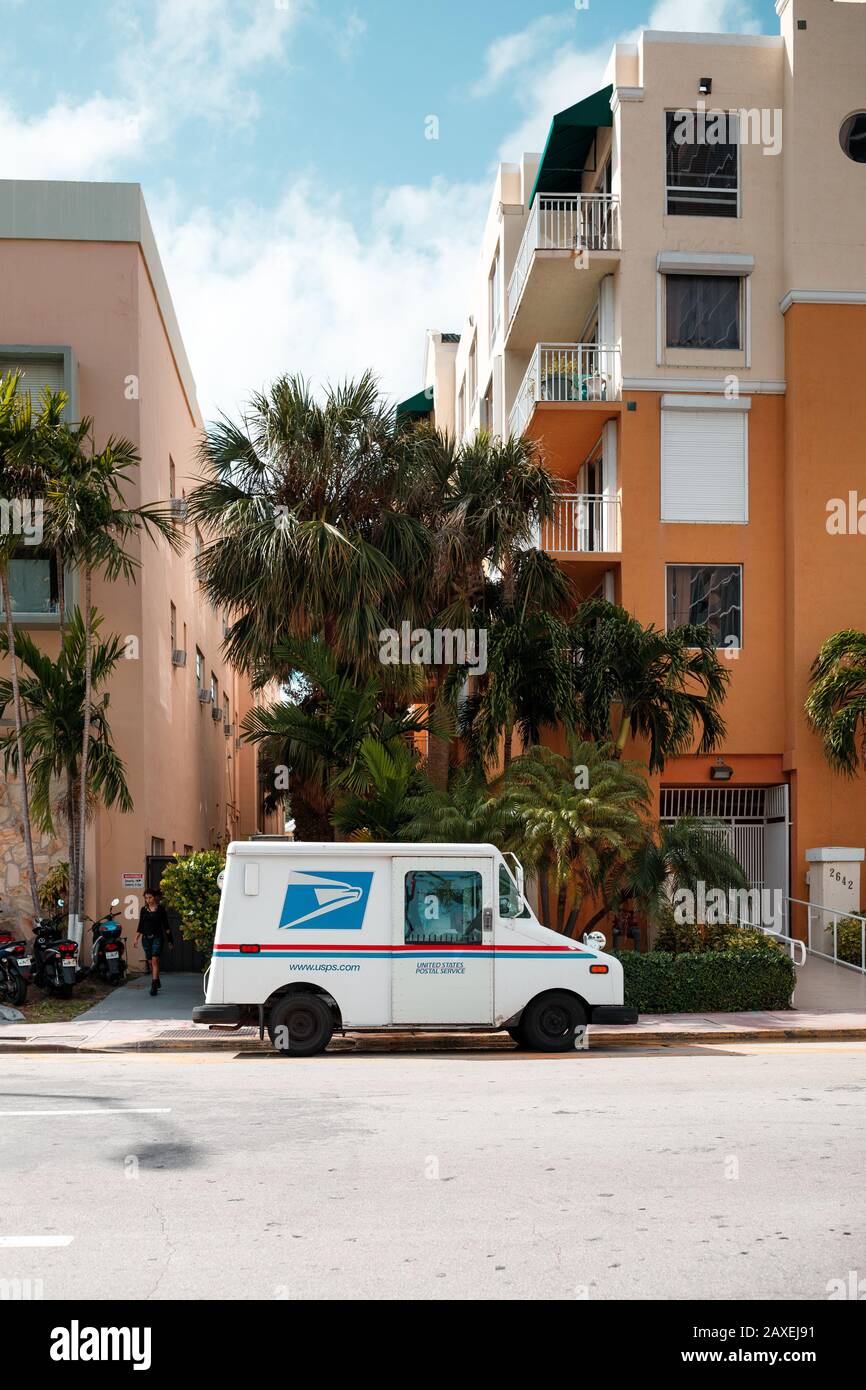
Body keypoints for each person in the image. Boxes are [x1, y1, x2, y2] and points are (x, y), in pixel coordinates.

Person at [135, 890, 172, 996]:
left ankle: (154, 985)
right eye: (146, 898)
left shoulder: (160, 909)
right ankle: (156, 978)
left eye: (150, 897)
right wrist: (136, 938)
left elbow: (166, 926)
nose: (148, 900)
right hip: (146, 938)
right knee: (150, 962)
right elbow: (140, 925)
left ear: (154, 897)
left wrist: (170, 940)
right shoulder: (143, 910)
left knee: (155, 959)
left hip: (157, 937)